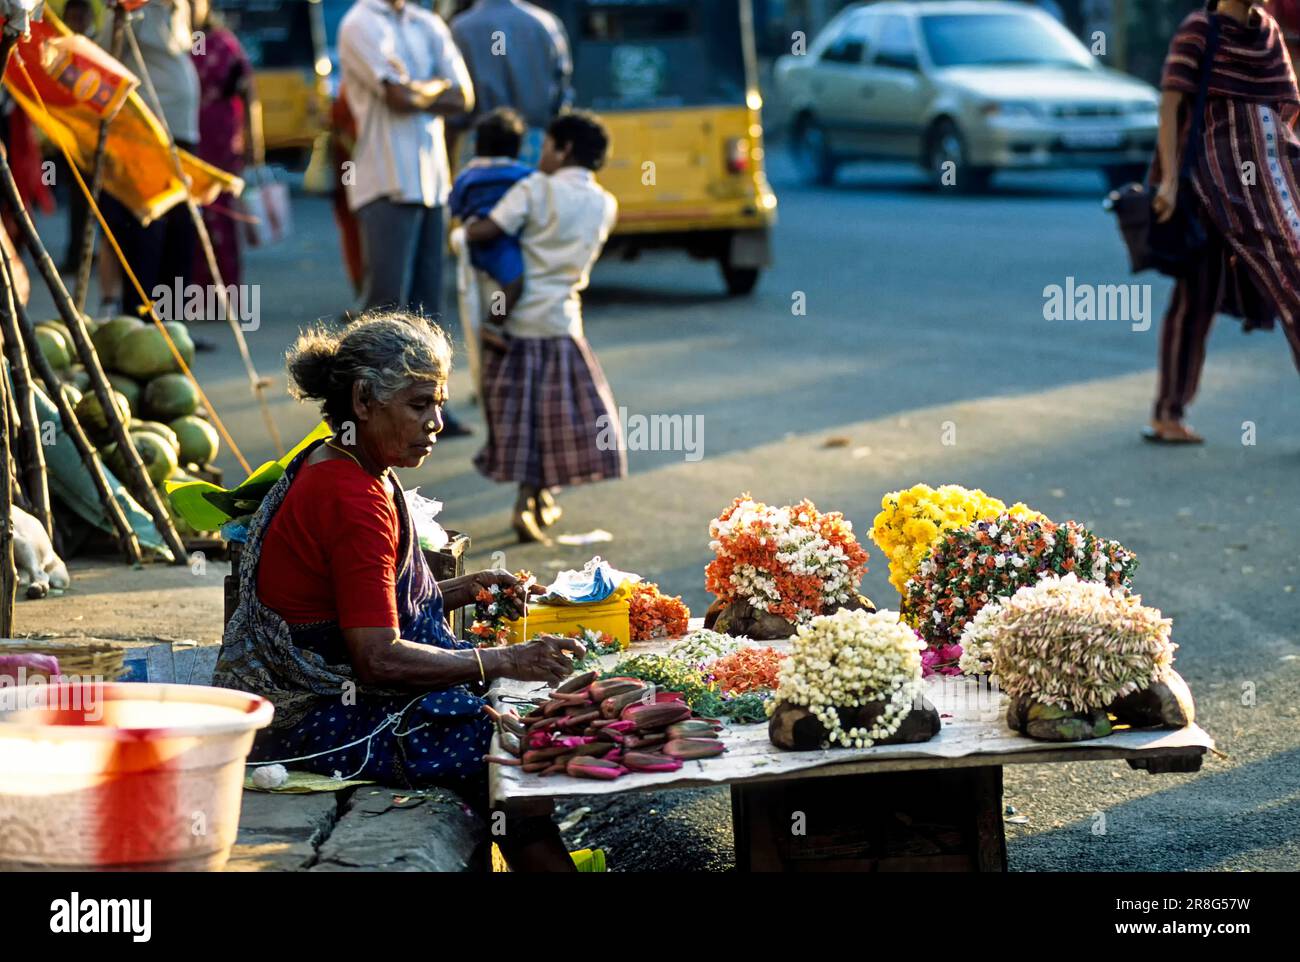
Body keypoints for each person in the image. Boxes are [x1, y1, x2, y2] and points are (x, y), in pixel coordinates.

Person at [214, 312, 583, 872]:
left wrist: (463, 589)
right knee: (503, 758)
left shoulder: (352, 463)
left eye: (439, 404)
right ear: (364, 400)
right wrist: (508, 658)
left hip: (337, 684)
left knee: (508, 725)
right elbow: (378, 658)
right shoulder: (350, 495)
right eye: (419, 405)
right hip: (309, 714)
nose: (436, 422)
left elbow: (371, 594)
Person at [465, 111, 627, 543]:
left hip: (516, 325)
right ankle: (536, 502)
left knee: (524, 422)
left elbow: (490, 229)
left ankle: (527, 502)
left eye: (547, 147)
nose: (540, 157)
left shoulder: (535, 190)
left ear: (565, 149)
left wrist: (463, 226)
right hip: (563, 325)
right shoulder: (604, 204)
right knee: (555, 422)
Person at [1148, 0, 1300, 443]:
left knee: (1291, 285)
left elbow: (1288, 103)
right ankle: (1167, 414)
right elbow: (1170, 107)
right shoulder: (1199, 30)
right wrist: (1170, 181)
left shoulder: (1268, 31)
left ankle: (1167, 412)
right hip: (1207, 186)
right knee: (1195, 300)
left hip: (1268, 189)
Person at [338, 0, 473, 316]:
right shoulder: (360, 23)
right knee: (386, 310)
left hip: (433, 182)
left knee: (427, 313)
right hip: (386, 180)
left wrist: (416, 89)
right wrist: (438, 86)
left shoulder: (427, 23)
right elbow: (398, 98)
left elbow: (464, 97)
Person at [95, 0, 200, 319]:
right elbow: (102, 54)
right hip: (146, 135)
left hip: (181, 133)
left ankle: (173, 325)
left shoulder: (180, 7)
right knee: (145, 230)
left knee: (182, 229)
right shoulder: (131, 7)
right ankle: (140, 320)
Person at [188, 0, 261, 316]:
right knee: (191, 218)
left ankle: (226, 300)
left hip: (220, 139)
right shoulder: (175, 40)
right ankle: (194, 300)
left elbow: (249, 92)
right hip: (186, 136)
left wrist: (254, 141)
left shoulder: (224, 43)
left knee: (222, 217)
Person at [450, 0, 573, 166]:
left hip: (480, 143)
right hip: (536, 141)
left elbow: (454, 93)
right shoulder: (545, 23)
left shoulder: (461, 27)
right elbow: (562, 83)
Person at [449, 107, 533, 316]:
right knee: (512, 283)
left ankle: (486, 321)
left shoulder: (466, 176)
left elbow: (455, 208)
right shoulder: (523, 176)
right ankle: (497, 320)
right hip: (504, 243)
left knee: (480, 291)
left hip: (473, 246)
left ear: (477, 144)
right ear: (517, 147)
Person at [59, 0, 97, 277]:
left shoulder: (100, 47)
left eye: (80, 15)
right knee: (78, 201)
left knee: (102, 202)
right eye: (72, 16)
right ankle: (78, 256)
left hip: (99, 134)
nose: (77, 21)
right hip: (72, 136)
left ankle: (98, 255)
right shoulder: (62, 49)